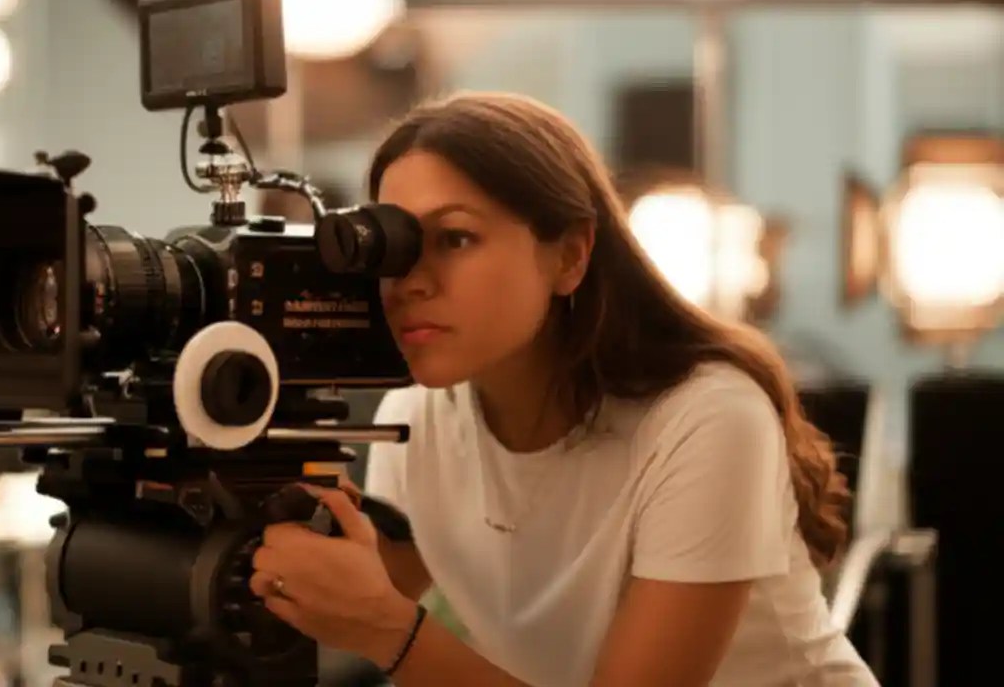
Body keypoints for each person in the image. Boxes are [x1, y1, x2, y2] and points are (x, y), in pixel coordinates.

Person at [247, 91, 878, 686]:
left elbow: (386, 623)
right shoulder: (415, 420)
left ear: (570, 254)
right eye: (396, 246)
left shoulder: (706, 417)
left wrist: (386, 630)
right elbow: (369, 589)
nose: (411, 281)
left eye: (456, 238)